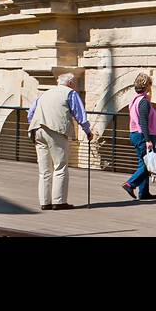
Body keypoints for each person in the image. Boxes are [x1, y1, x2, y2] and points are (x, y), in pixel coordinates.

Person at [27, 72, 93, 211]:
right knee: (60, 165)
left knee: (44, 169)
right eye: (74, 82)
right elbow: (80, 114)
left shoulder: (45, 94)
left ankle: (45, 202)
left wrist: (36, 124)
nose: (75, 85)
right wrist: (88, 131)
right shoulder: (70, 93)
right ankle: (59, 201)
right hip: (55, 130)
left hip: (37, 129)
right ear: (70, 83)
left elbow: (30, 113)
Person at [122, 73, 156, 202]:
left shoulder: (135, 100)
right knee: (146, 165)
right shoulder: (143, 102)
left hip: (135, 134)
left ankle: (144, 192)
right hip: (142, 136)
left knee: (143, 162)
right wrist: (148, 140)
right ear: (147, 86)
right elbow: (143, 122)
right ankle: (130, 184)